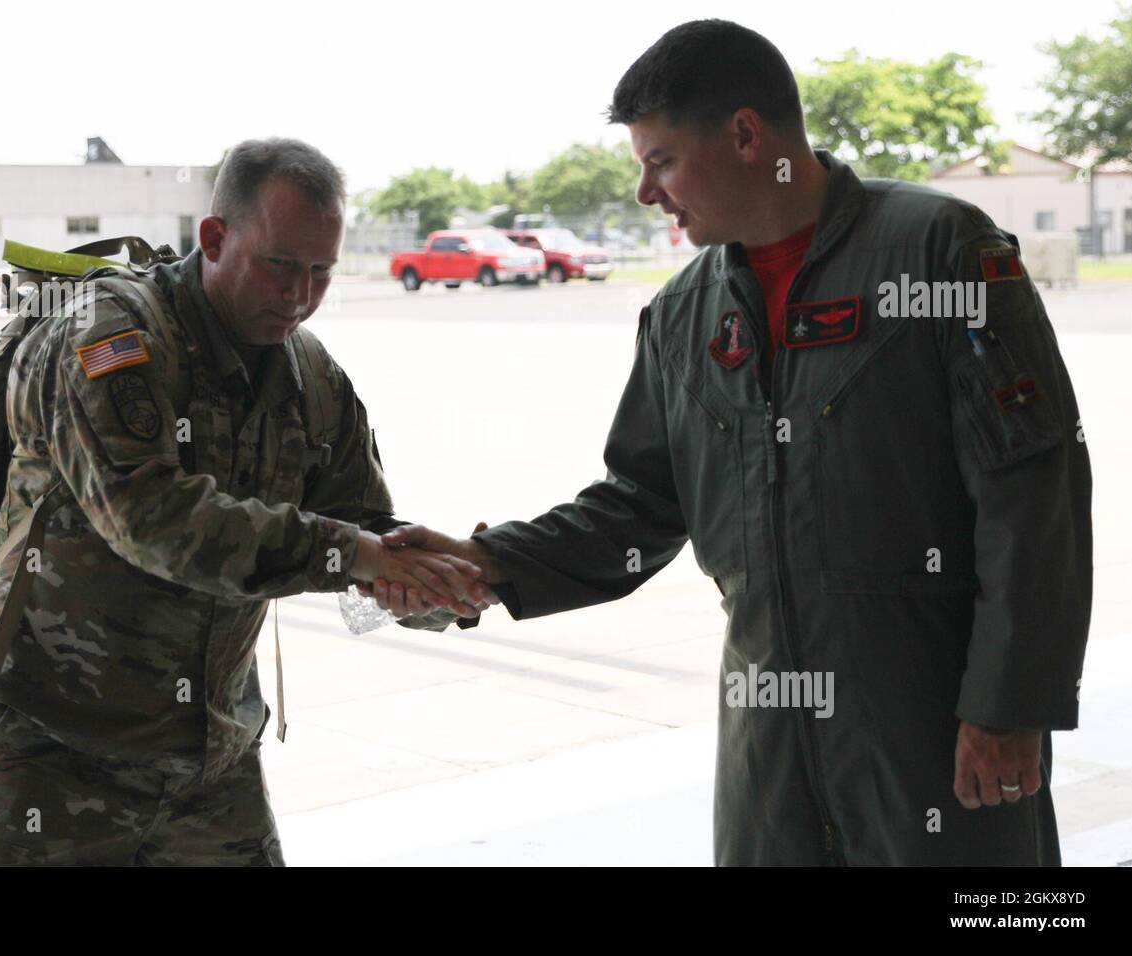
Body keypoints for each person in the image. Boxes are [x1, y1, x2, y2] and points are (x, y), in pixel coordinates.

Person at [369, 21, 1093, 865]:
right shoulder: (684, 316)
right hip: (769, 751)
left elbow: (1032, 488)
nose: (646, 191)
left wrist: (1010, 705)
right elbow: (638, 506)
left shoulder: (937, 251)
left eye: (662, 161)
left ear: (747, 136)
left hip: (937, 730)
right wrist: (488, 562)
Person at [0, 137, 491, 866]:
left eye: (321, 271)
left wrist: (443, 580)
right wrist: (355, 554)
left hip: (209, 759)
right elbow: (151, 518)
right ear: (216, 238)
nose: (299, 295)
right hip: (52, 750)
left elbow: (362, 527)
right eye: (280, 264)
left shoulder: (309, 373)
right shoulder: (110, 334)